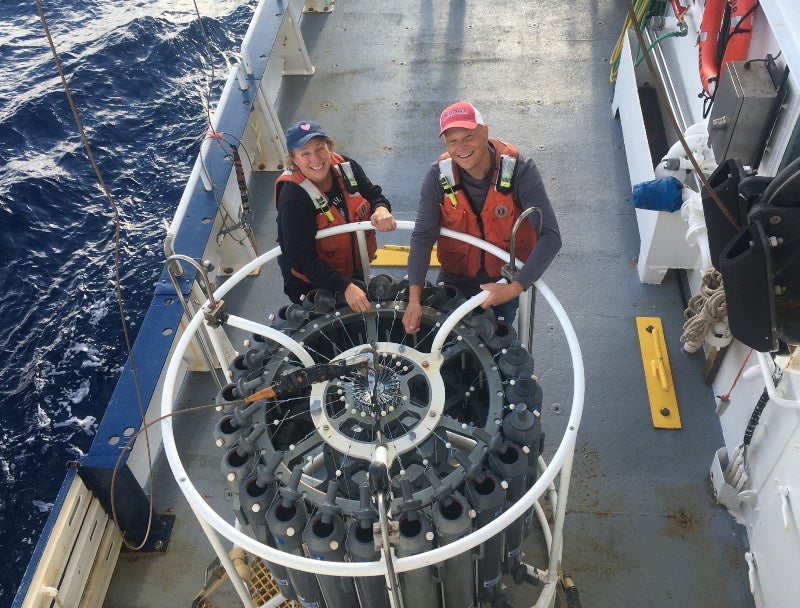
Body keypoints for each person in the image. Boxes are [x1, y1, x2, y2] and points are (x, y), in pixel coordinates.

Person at [402, 101, 561, 334]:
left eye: (468, 136)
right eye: (452, 141)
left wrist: (513, 288)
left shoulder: (520, 171)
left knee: (497, 351)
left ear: (485, 132)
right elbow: (423, 236)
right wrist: (413, 299)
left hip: (501, 284)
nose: (461, 147)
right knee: (443, 343)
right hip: (453, 280)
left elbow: (550, 236)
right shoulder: (438, 176)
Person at [275, 120, 396, 313]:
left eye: (319, 149)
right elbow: (300, 258)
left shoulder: (347, 168)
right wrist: (344, 287)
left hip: (354, 268)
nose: (315, 159)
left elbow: (374, 195)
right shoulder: (293, 197)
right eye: (305, 153)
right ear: (294, 160)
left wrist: (381, 208)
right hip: (313, 283)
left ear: (328, 147)